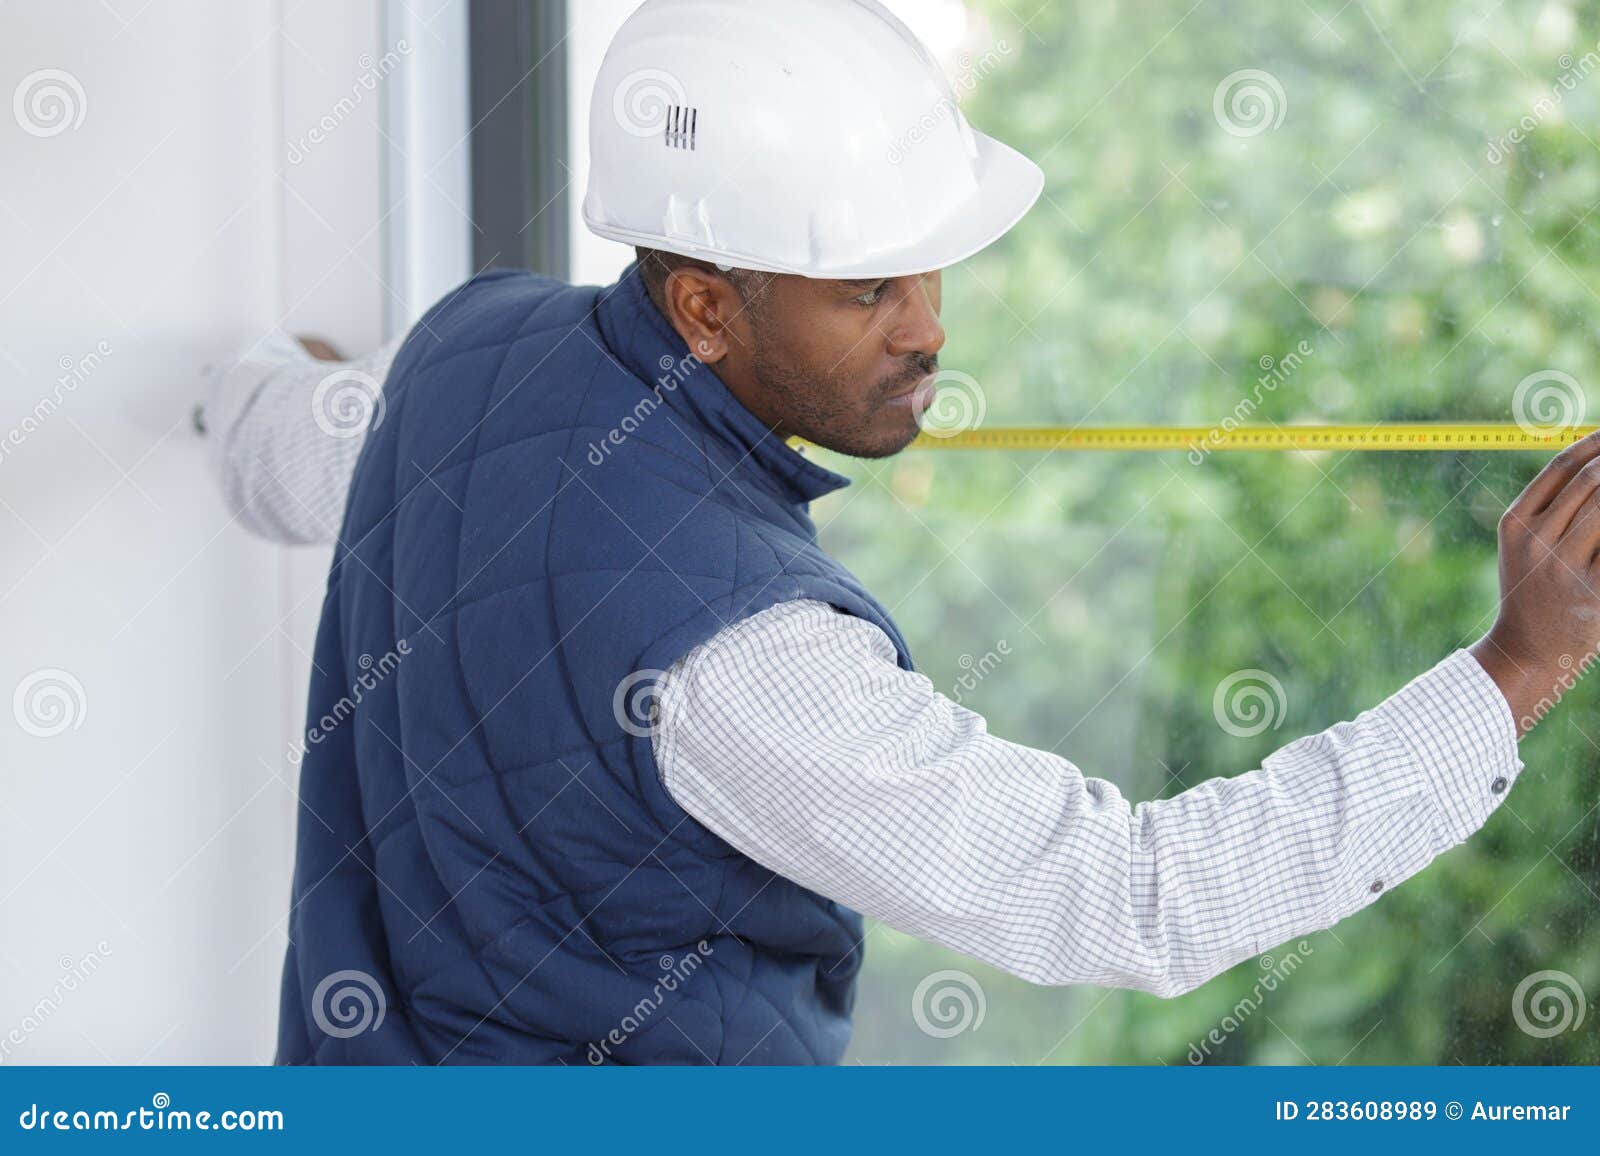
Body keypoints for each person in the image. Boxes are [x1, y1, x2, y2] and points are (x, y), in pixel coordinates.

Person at [206, 0, 1593, 1065]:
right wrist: (1516, 670)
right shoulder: (744, 658)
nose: (929, 326)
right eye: (868, 289)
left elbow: (273, 441)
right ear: (702, 306)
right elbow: (1134, 896)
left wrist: (248, 378)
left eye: (928, 264)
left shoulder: (456, 353)